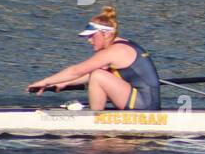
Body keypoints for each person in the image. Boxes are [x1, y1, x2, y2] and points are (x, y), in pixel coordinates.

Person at [27, 6, 161, 111]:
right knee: (97, 74)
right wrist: (65, 83)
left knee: (98, 75)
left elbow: (77, 71)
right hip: (147, 101)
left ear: (106, 34)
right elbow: (87, 75)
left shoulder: (114, 51)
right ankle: (96, 116)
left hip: (143, 105)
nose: (89, 40)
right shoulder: (123, 45)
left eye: (92, 36)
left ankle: (94, 118)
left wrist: (45, 82)